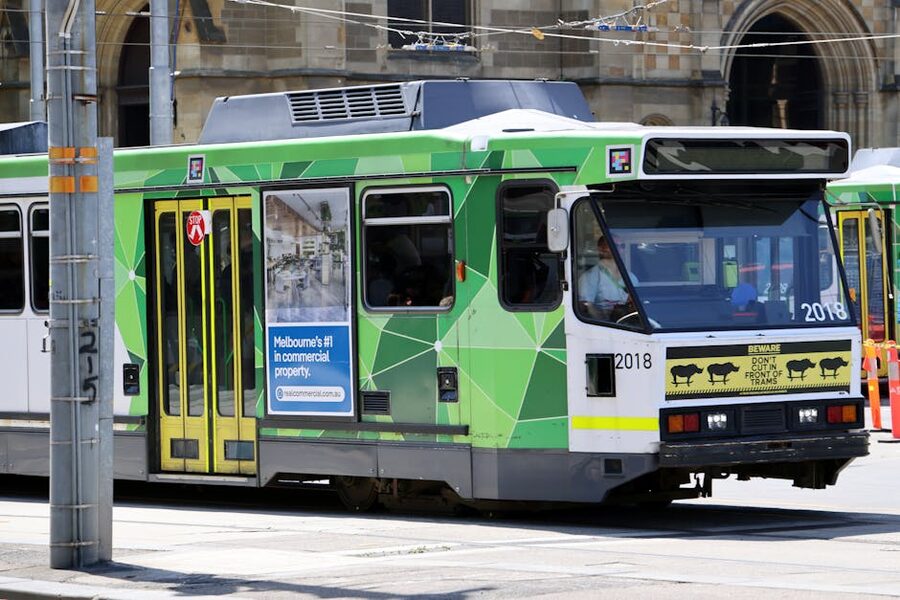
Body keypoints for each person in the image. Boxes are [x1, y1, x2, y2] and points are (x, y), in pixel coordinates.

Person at [577, 235, 636, 322]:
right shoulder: (590, 277)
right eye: (614, 245)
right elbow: (585, 306)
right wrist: (608, 316)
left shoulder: (631, 277)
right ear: (601, 249)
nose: (619, 249)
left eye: (622, 246)